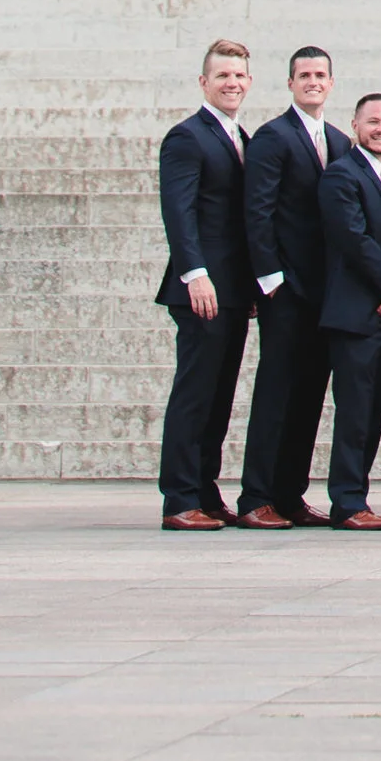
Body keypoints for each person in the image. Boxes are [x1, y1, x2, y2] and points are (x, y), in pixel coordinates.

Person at [235, 43, 350, 529]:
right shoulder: (271, 137)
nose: (313, 81)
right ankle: (256, 497)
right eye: (304, 74)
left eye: (320, 74)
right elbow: (257, 212)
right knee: (276, 394)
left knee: (308, 396)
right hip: (286, 291)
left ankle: (290, 494)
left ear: (330, 82)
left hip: (327, 295)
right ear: (290, 83)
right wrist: (271, 282)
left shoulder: (342, 141)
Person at [155, 38, 256, 530]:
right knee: (195, 393)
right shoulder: (186, 137)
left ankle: (205, 489)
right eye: (222, 76)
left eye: (238, 76)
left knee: (219, 396)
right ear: (203, 82)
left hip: (234, 291)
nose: (231, 83)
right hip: (201, 289)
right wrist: (195, 274)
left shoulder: (244, 137)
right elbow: (180, 212)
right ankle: (179, 498)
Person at [317, 92, 381, 527]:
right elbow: (352, 239)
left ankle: (359, 495)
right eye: (373, 121)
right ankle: (347, 502)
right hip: (354, 315)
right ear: (355, 126)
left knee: (374, 411)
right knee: (355, 411)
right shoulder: (340, 176)